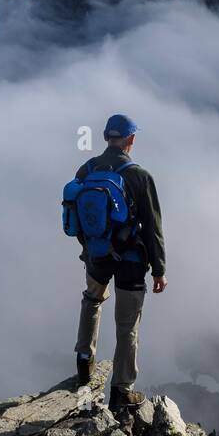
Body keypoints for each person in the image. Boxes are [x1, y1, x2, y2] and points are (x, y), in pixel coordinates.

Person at [72, 114, 166, 412]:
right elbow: (152, 226)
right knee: (127, 324)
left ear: (105, 137)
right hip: (131, 260)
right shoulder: (139, 175)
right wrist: (160, 269)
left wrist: (91, 248)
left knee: (92, 300)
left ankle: (84, 361)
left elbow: (76, 218)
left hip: (96, 254)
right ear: (131, 139)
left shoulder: (87, 170)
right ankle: (122, 390)